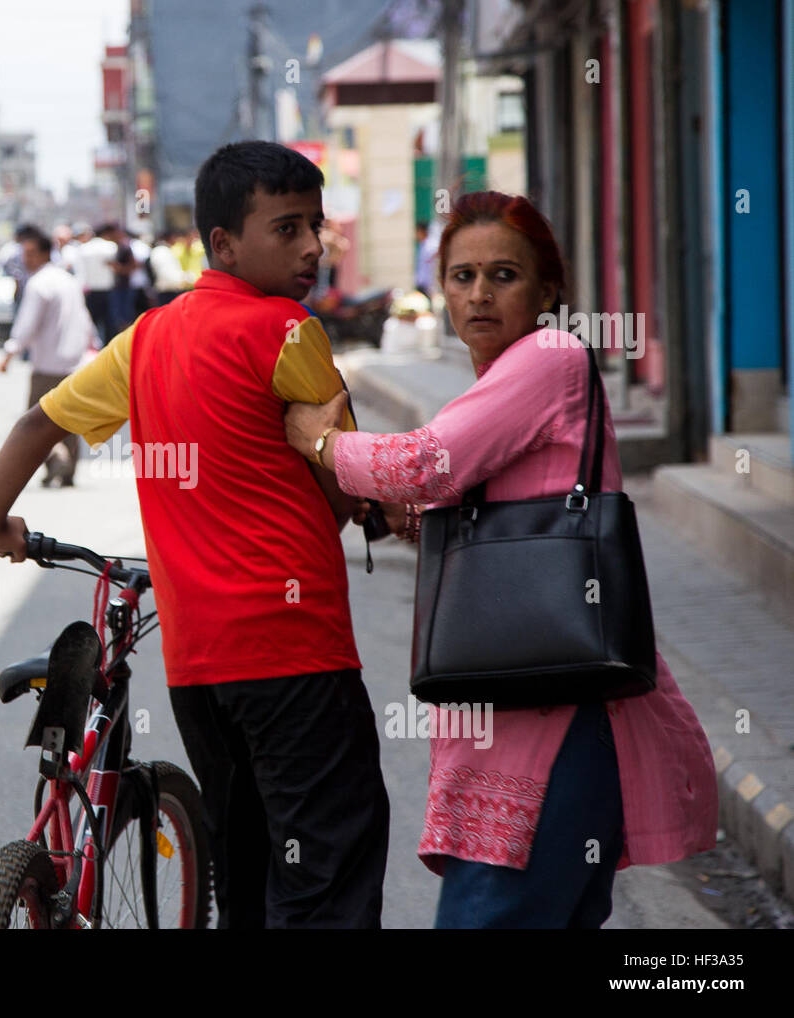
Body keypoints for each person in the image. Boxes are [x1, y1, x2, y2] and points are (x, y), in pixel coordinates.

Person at [0, 140, 390, 928]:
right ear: (223, 243)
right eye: (287, 228)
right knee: (327, 868)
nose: (310, 247)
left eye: (315, 226)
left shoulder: (146, 338)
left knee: (246, 866)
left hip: (201, 672)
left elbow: (39, 420)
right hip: (296, 650)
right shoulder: (289, 330)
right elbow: (347, 481)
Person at [285, 190, 717, 929]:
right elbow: (482, 507)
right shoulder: (501, 378)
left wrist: (319, 442)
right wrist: (410, 514)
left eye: (504, 276)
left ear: (549, 290)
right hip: (528, 700)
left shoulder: (547, 357)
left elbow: (428, 461)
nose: (478, 294)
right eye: (461, 276)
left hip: (551, 715)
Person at [0, 227, 97, 488]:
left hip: (48, 365)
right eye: (24, 253)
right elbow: (85, 319)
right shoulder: (67, 280)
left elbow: (26, 325)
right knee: (70, 419)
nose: (26, 259)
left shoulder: (39, 283)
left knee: (35, 424)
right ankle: (68, 471)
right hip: (74, 362)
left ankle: (56, 460)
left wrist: (10, 353)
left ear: (44, 253)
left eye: (30, 253)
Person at [76, 223, 121, 346]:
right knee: (109, 324)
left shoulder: (84, 248)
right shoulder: (111, 247)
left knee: (91, 323)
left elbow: (80, 271)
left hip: (91, 291)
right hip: (107, 290)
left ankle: (92, 347)